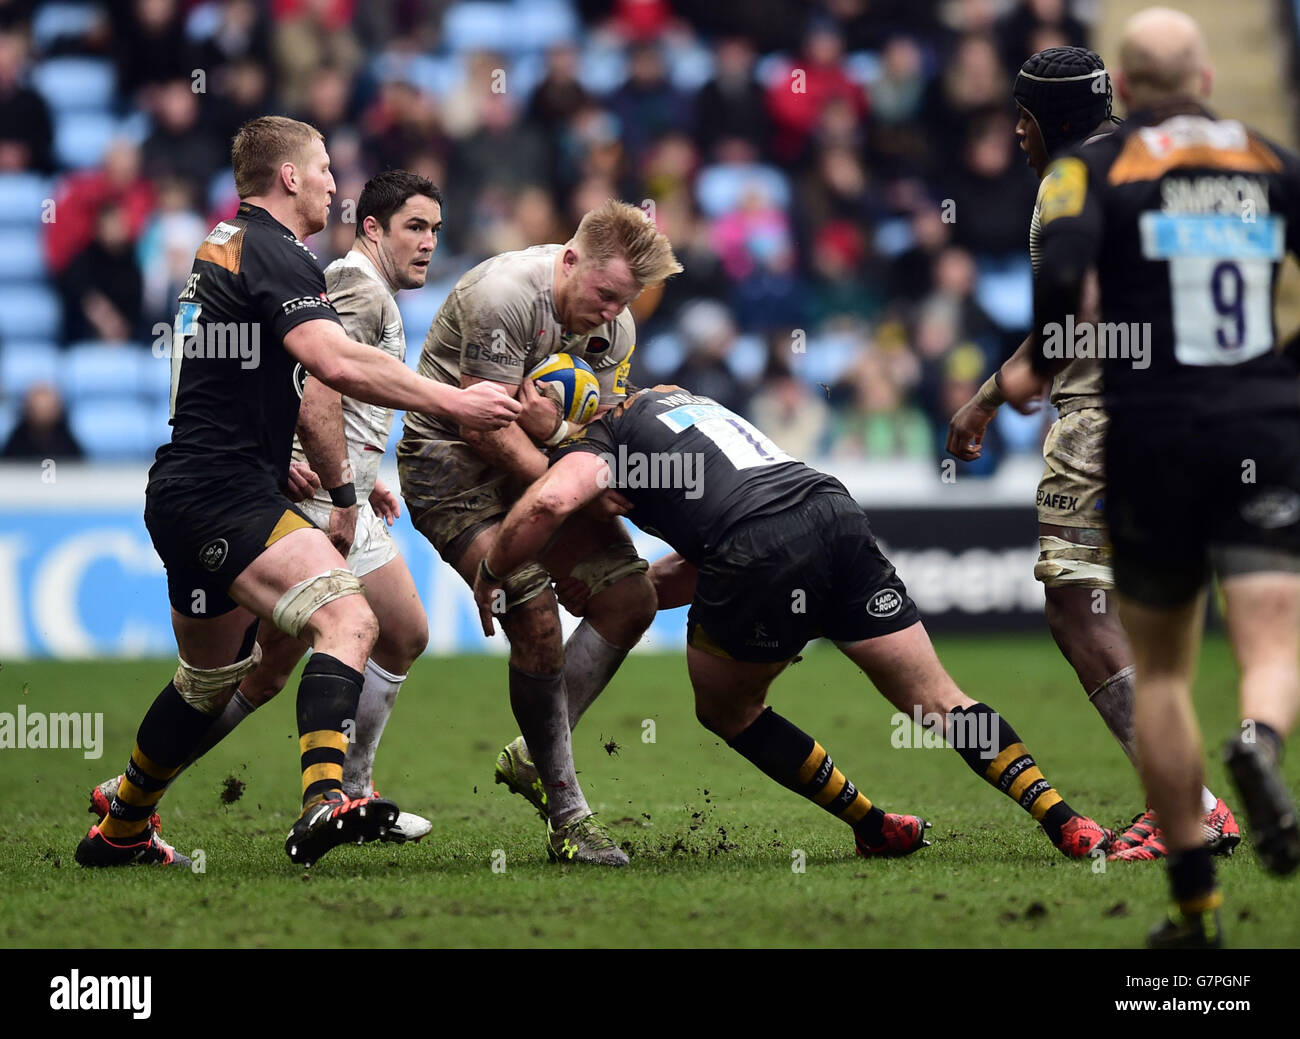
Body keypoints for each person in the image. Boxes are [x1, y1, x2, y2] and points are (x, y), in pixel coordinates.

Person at [76, 116, 519, 870]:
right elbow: (328, 368)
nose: (331, 184)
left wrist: (286, 455)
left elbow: (239, 376)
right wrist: (454, 403)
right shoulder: (280, 251)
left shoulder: (222, 243)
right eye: (322, 169)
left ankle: (123, 823)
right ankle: (326, 798)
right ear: (287, 177)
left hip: (190, 482)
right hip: (223, 493)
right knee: (349, 618)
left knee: (208, 680)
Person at [473, 384, 1113, 861]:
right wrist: (620, 594)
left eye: (527, 398)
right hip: (830, 510)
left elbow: (553, 499)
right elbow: (707, 554)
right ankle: (1066, 821)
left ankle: (870, 822)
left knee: (727, 711)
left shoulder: (601, 437)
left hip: (759, 545)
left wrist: (495, 569)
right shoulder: (674, 400)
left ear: (565, 409)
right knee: (938, 701)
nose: (516, 409)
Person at [998, 7, 1300, 946]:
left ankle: (1197, 860)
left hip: (1133, 422)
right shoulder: (1265, 160)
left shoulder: (1089, 175)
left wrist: (1035, 367)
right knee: (1270, 637)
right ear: (1206, 80)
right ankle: (1259, 740)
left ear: (1122, 91)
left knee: (1136, 649)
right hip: (1262, 415)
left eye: (1021, 115)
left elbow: (1069, 296)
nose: (1015, 131)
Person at [946, 45, 1239, 861]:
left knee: (1076, 601)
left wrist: (995, 391)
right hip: (1193, 405)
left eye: (1024, 118)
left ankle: (1183, 806)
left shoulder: (1071, 184)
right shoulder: (1161, 164)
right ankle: (1194, 801)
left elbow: (1078, 311)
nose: (1015, 131)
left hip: (1111, 412)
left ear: (1051, 122)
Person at [398, 200, 680, 865]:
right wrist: (571, 491)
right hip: (451, 472)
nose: (610, 313)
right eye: (605, 295)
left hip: (543, 470)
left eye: (626, 301)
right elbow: (483, 426)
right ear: (571, 259)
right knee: (534, 616)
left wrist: (558, 440)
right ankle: (568, 814)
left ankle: (535, 751)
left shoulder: (616, 329)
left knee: (630, 599)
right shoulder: (504, 297)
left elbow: (594, 434)